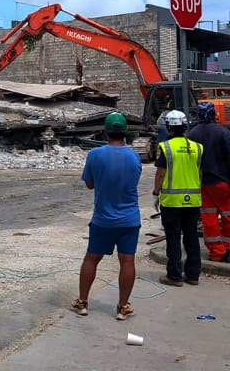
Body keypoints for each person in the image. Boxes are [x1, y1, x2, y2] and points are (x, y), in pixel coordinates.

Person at [71, 112, 141, 321]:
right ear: (125, 132)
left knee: (91, 258)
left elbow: (89, 184)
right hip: (129, 219)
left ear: (105, 132)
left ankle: (82, 302)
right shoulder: (134, 156)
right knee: (127, 261)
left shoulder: (95, 155)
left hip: (103, 219)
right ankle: (122, 307)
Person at [153, 110, 204, 288]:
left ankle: (174, 276)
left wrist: (155, 192)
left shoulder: (165, 147)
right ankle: (193, 275)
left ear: (169, 127)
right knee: (191, 237)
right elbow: (200, 173)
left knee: (173, 238)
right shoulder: (198, 147)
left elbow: (160, 173)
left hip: (172, 202)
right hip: (193, 201)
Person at [187, 102, 230, 263]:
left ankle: (217, 252)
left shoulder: (192, 135)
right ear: (214, 114)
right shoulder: (223, 132)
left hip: (203, 184)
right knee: (229, 216)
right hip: (223, 183)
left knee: (209, 218)